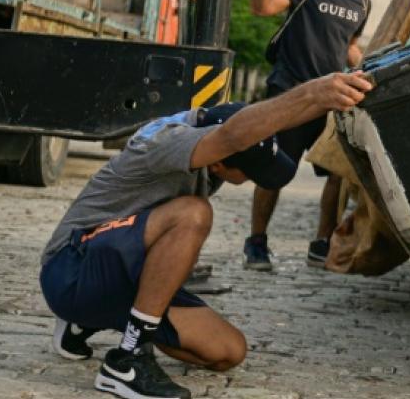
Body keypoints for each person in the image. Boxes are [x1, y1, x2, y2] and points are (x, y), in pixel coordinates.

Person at [39, 72, 373, 399]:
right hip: (71, 268)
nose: (254, 180)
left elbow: (262, 122)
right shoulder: (169, 142)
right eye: (250, 173)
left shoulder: (210, 131)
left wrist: (337, 96)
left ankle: (85, 322)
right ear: (217, 164)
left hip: (119, 273)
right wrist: (312, 91)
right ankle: (128, 360)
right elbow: (232, 137)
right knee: (194, 214)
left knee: (228, 350)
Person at [245, 0, 371, 271]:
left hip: (330, 100)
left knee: (337, 172)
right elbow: (262, 7)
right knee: (274, 169)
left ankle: (322, 242)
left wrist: (371, 65)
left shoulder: (363, 3)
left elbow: (348, 45)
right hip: (290, 93)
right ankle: (257, 242)